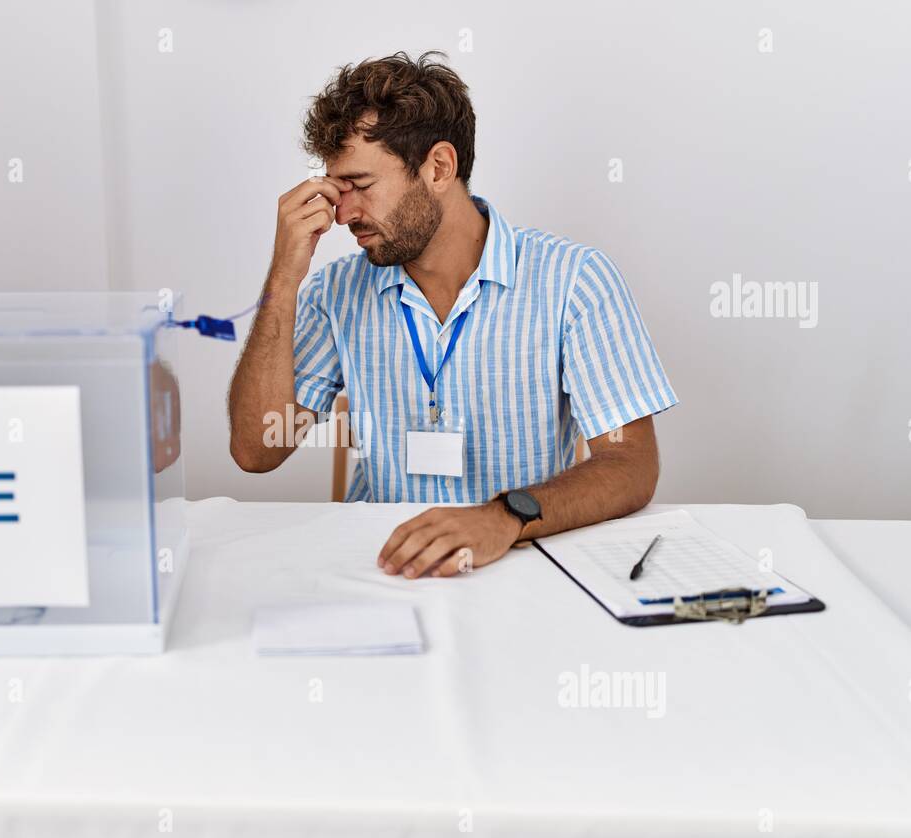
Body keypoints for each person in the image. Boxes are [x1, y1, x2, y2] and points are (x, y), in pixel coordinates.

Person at [228, 51, 678, 579]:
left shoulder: (573, 280)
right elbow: (255, 451)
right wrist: (284, 276)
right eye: (336, 189)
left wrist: (503, 517)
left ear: (439, 167)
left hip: (521, 561)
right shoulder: (338, 290)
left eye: (361, 186)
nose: (343, 214)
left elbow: (631, 466)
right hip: (384, 569)